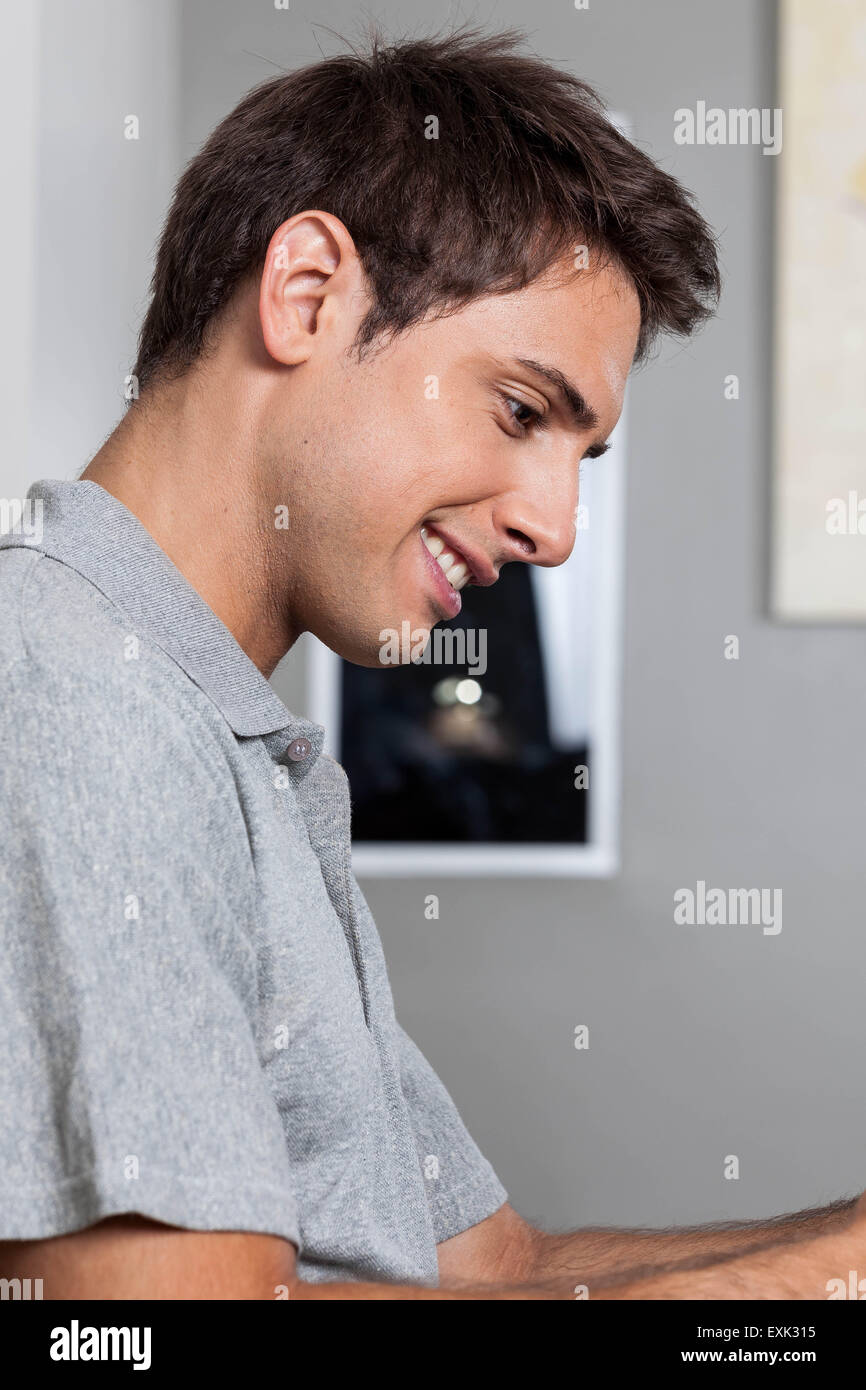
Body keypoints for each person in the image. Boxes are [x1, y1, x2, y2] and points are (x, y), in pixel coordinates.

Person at [1, 26, 859, 1300]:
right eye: (520, 411)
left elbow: (488, 1275)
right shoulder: (79, 697)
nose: (554, 530)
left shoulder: (232, 749)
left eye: (578, 457)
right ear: (305, 295)